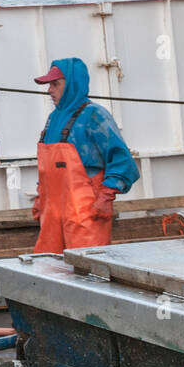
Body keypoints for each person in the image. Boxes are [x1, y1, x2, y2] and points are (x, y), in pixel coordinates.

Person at [31, 57, 139, 254]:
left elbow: (123, 161)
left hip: (86, 213)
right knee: (48, 270)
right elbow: (47, 169)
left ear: (72, 84)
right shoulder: (53, 119)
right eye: (49, 85)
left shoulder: (94, 115)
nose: (49, 90)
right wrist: (40, 198)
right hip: (52, 215)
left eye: (55, 84)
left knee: (87, 270)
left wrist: (106, 196)